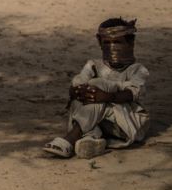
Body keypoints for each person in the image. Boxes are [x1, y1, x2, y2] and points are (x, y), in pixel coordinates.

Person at [43, 18, 150, 159]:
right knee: (83, 96)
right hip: (98, 120)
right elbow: (77, 85)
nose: (112, 47)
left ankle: (70, 139)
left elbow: (131, 94)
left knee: (98, 85)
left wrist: (105, 96)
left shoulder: (138, 70)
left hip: (123, 121)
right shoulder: (93, 65)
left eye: (117, 42)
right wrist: (77, 91)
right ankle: (92, 140)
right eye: (107, 42)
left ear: (130, 43)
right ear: (100, 42)